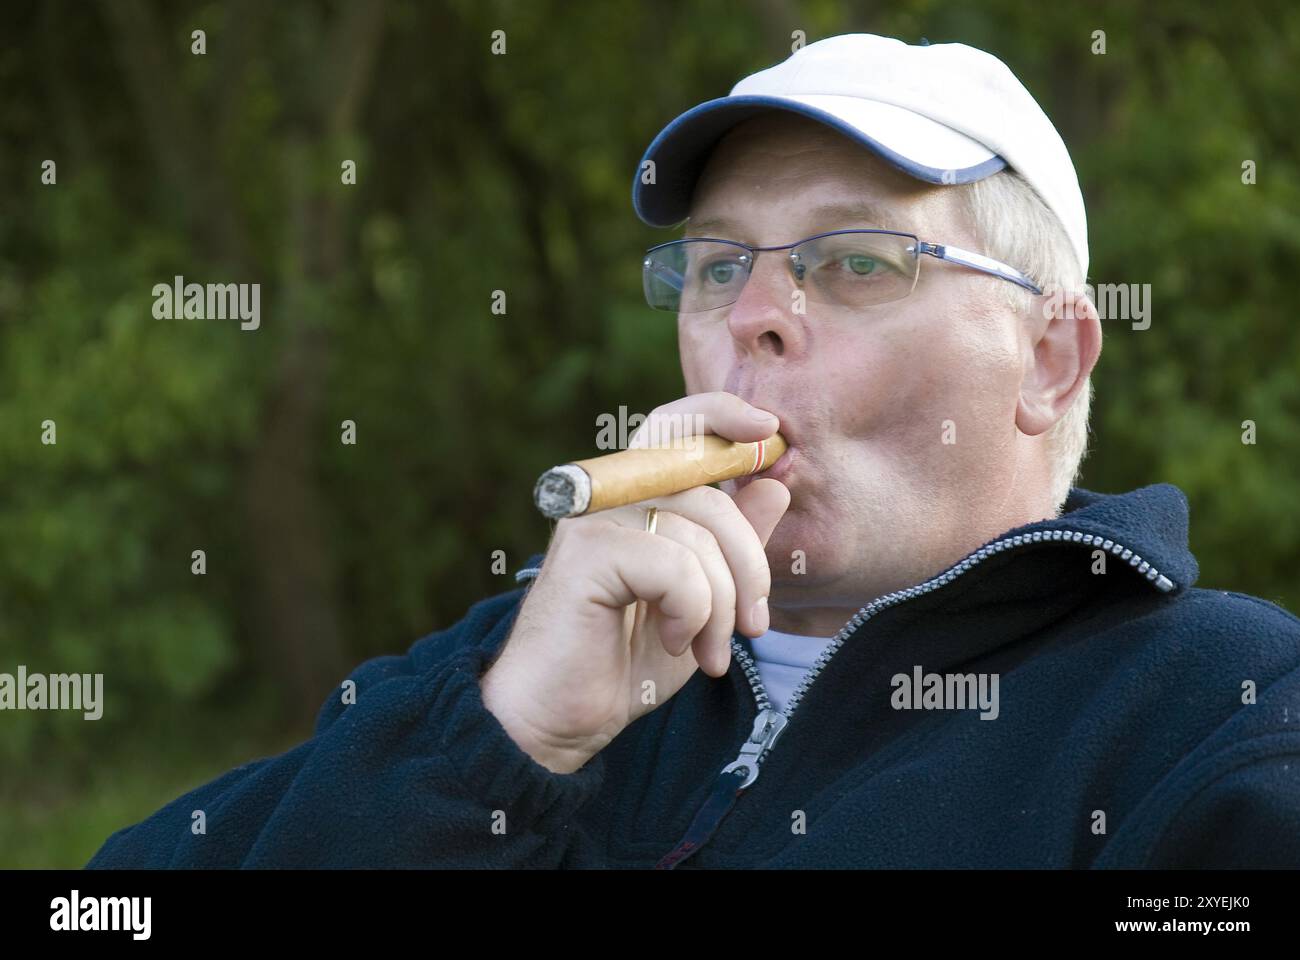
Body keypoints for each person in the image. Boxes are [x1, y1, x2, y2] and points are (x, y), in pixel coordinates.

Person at [88, 33, 1300, 869]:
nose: (750, 314)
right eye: (720, 266)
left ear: (1049, 358)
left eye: (855, 260)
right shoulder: (510, 670)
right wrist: (505, 752)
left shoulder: (1224, 718)